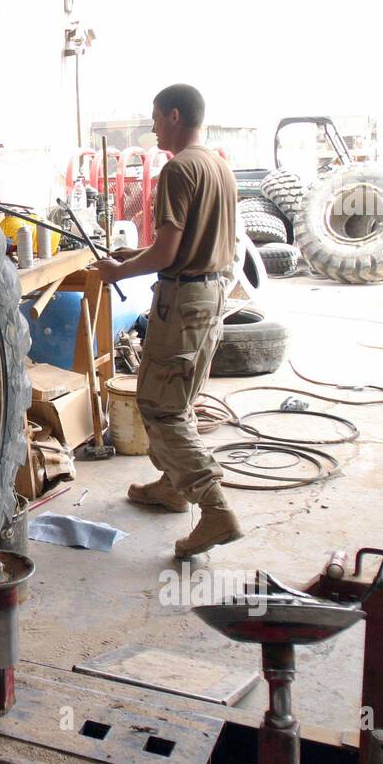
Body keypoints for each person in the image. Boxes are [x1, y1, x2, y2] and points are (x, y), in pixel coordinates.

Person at [96, 84, 244, 558]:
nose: (153, 126)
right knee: (177, 397)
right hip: (211, 293)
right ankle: (173, 485)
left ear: (175, 116)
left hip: (183, 302)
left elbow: (168, 252)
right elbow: (184, 245)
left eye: (157, 117)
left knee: (162, 408)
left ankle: (215, 508)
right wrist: (135, 255)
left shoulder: (179, 169)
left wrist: (119, 270)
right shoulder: (217, 165)